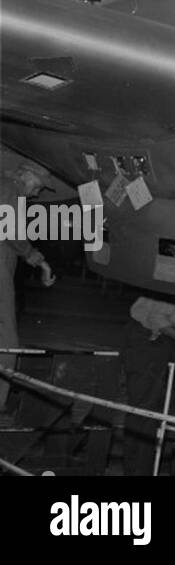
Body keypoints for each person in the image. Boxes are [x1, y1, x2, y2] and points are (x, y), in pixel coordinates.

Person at [1, 161, 57, 412]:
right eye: (38, 185)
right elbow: (10, 231)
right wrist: (39, 260)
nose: (38, 192)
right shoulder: (8, 189)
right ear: (25, 175)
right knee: (8, 339)